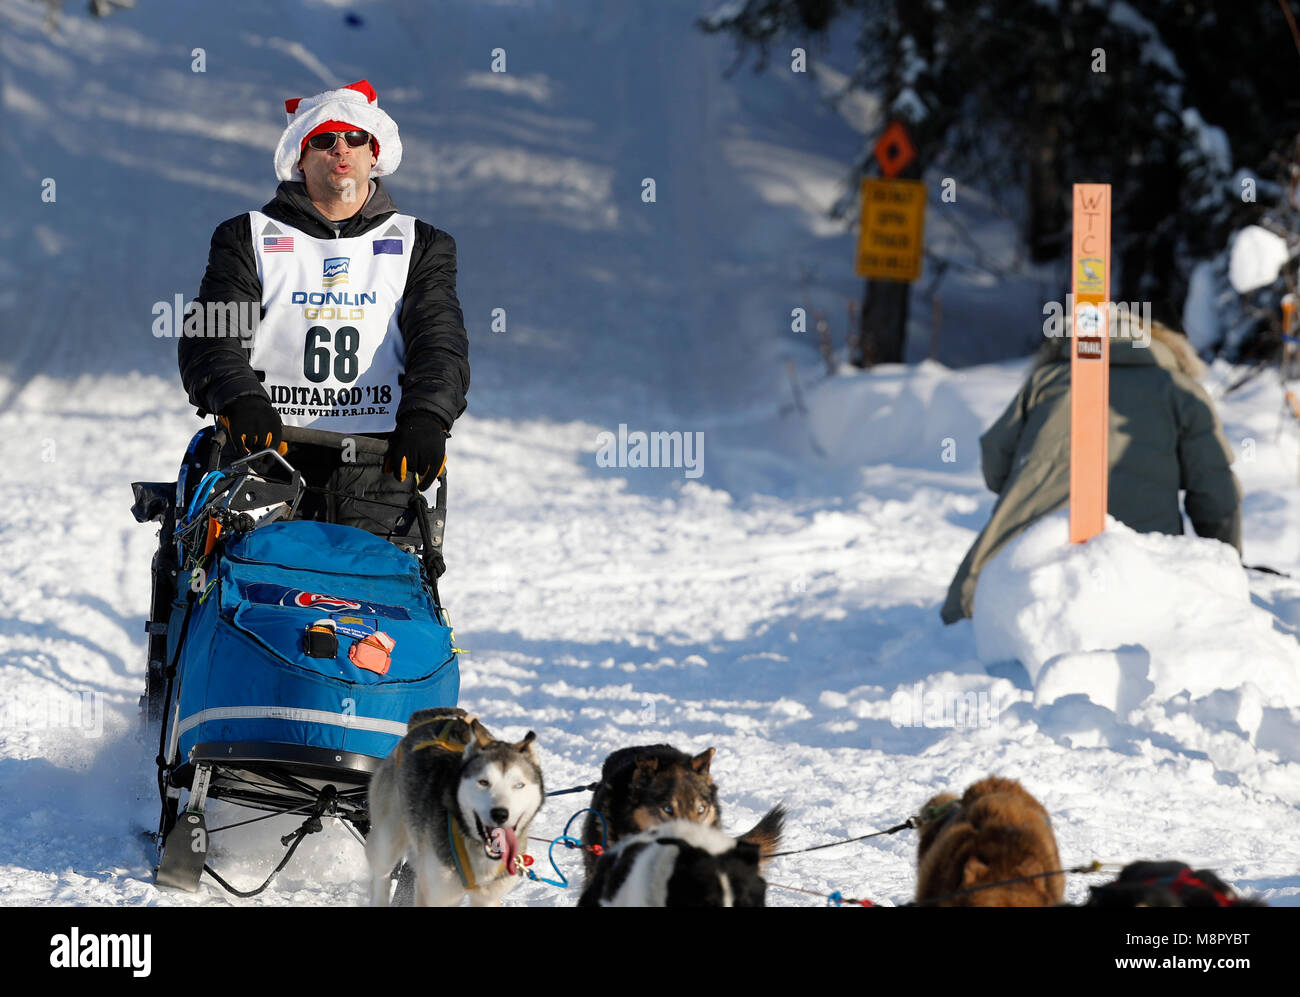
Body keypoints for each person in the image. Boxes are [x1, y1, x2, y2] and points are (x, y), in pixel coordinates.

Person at [178, 79, 468, 536]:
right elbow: (212, 332)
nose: (341, 149)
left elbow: (439, 341)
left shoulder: (422, 244)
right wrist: (239, 398)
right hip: (266, 454)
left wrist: (428, 416)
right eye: (325, 139)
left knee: (373, 600)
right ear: (300, 156)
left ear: (374, 155)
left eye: (356, 138)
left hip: (382, 463)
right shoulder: (246, 236)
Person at [941, 317, 1241, 624]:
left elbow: (995, 460)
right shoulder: (1179, 390)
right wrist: (1226, 565)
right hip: (1141, 572)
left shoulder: (1048, 380)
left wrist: (1028, 489)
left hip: (1013, 571)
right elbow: (1216, 493)